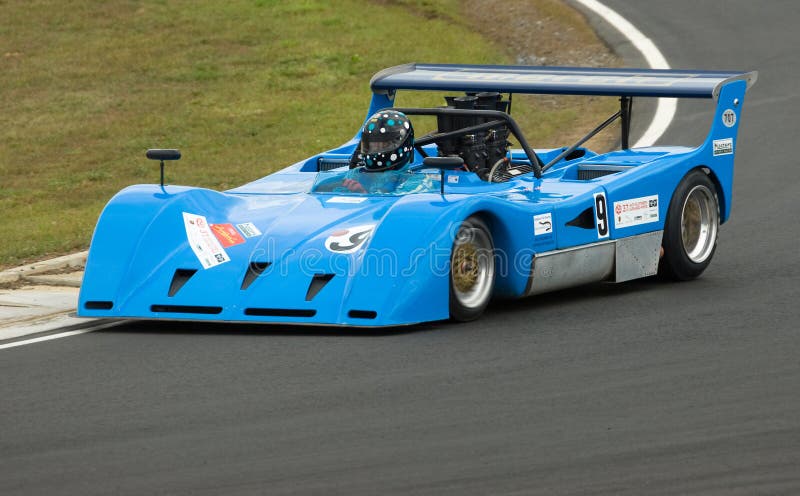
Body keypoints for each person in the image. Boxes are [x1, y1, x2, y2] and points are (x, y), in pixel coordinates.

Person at [334, 110, 433, 194]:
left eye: (383, 145)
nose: (375, 150)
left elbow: (396, 210)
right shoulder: (357, 174)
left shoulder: (417, 182)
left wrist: (363, 194)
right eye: (372, 145)